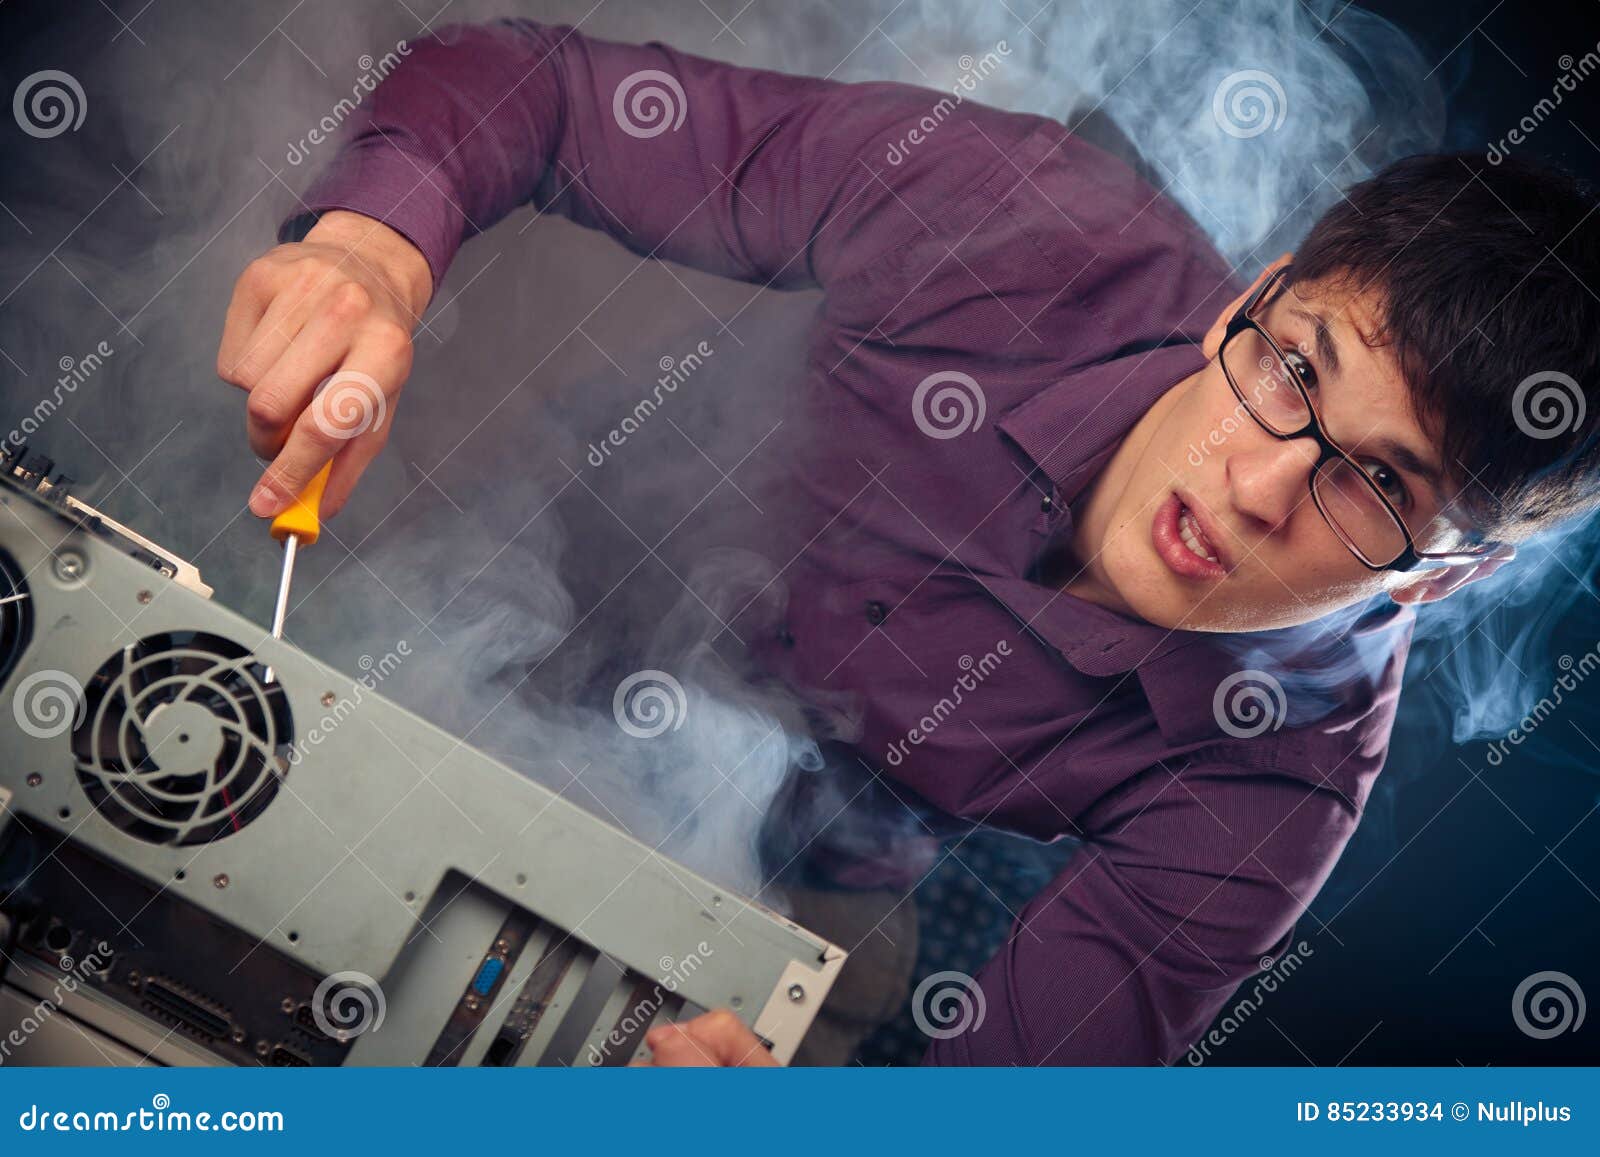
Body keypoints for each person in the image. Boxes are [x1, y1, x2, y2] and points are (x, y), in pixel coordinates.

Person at [218, 20, 1600, 1065]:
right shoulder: (1008, 218)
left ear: (1458, 573)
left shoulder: (1282, 782)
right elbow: (544, 90)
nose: (1253, 489)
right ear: (1254, 296)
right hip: (538, 571)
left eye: (1373, 486)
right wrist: (372, 256)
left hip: (816, 866)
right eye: (1296, 369)